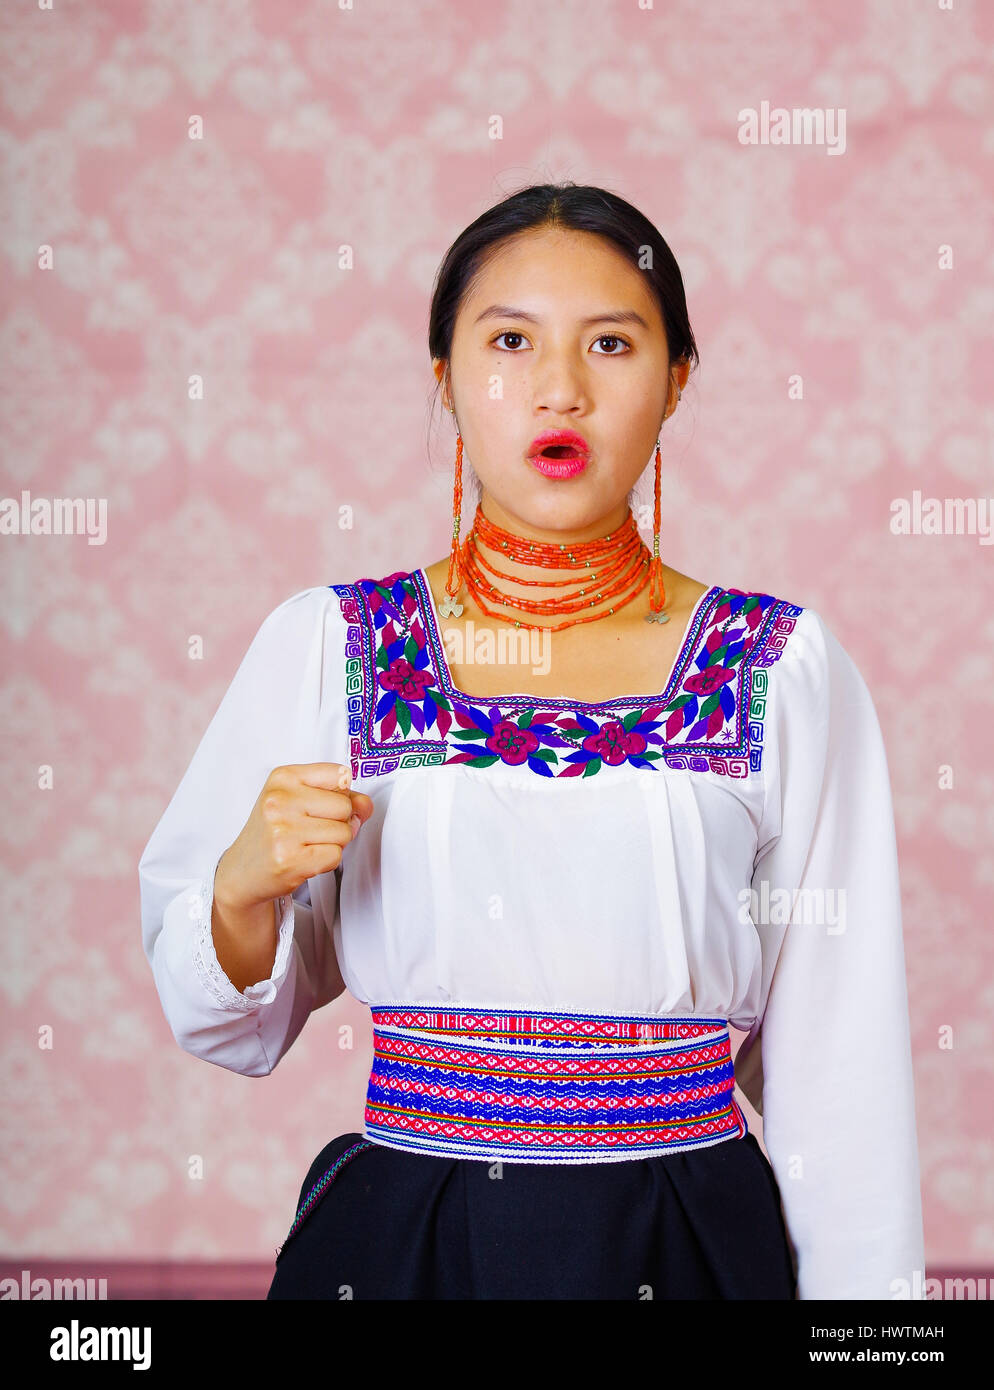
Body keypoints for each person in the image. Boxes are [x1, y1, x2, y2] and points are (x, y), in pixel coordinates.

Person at [138, 182, 926, 1301]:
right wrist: (239, 888)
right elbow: (225, 1025)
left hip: (690, 1241)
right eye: (509, 339)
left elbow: (838, 1064)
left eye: (612, 342)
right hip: (406, 1244)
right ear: (445, 378)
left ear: (677, 382)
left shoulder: (777, 665)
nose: (559, 388)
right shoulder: (332, 644)